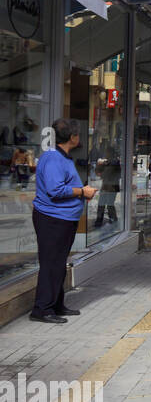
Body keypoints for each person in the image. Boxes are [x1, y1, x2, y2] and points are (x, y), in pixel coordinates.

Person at [30, 119, 96, 323]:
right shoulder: (52, 158)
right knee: (51, 263)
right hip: (52, 218)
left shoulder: (63, 157)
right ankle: (42, 309)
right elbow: (55, 189)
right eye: (78, 135)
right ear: (72, 137)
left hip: (64, 218)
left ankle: (56, 304)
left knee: (58, 263)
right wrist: (82, 191)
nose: (80, 138)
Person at [93, 144, 121, 227]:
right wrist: (100, 164)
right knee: (105, 203)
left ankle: (106, 219)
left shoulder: (113, 163)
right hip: (107, 186)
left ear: (110, 153)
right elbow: (98, 172)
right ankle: (106, 219)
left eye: (107, 152)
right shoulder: (108, 162)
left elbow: (104, 174)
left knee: (107, 204)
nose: (105, 154)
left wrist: (103, 166)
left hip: (110, 186)